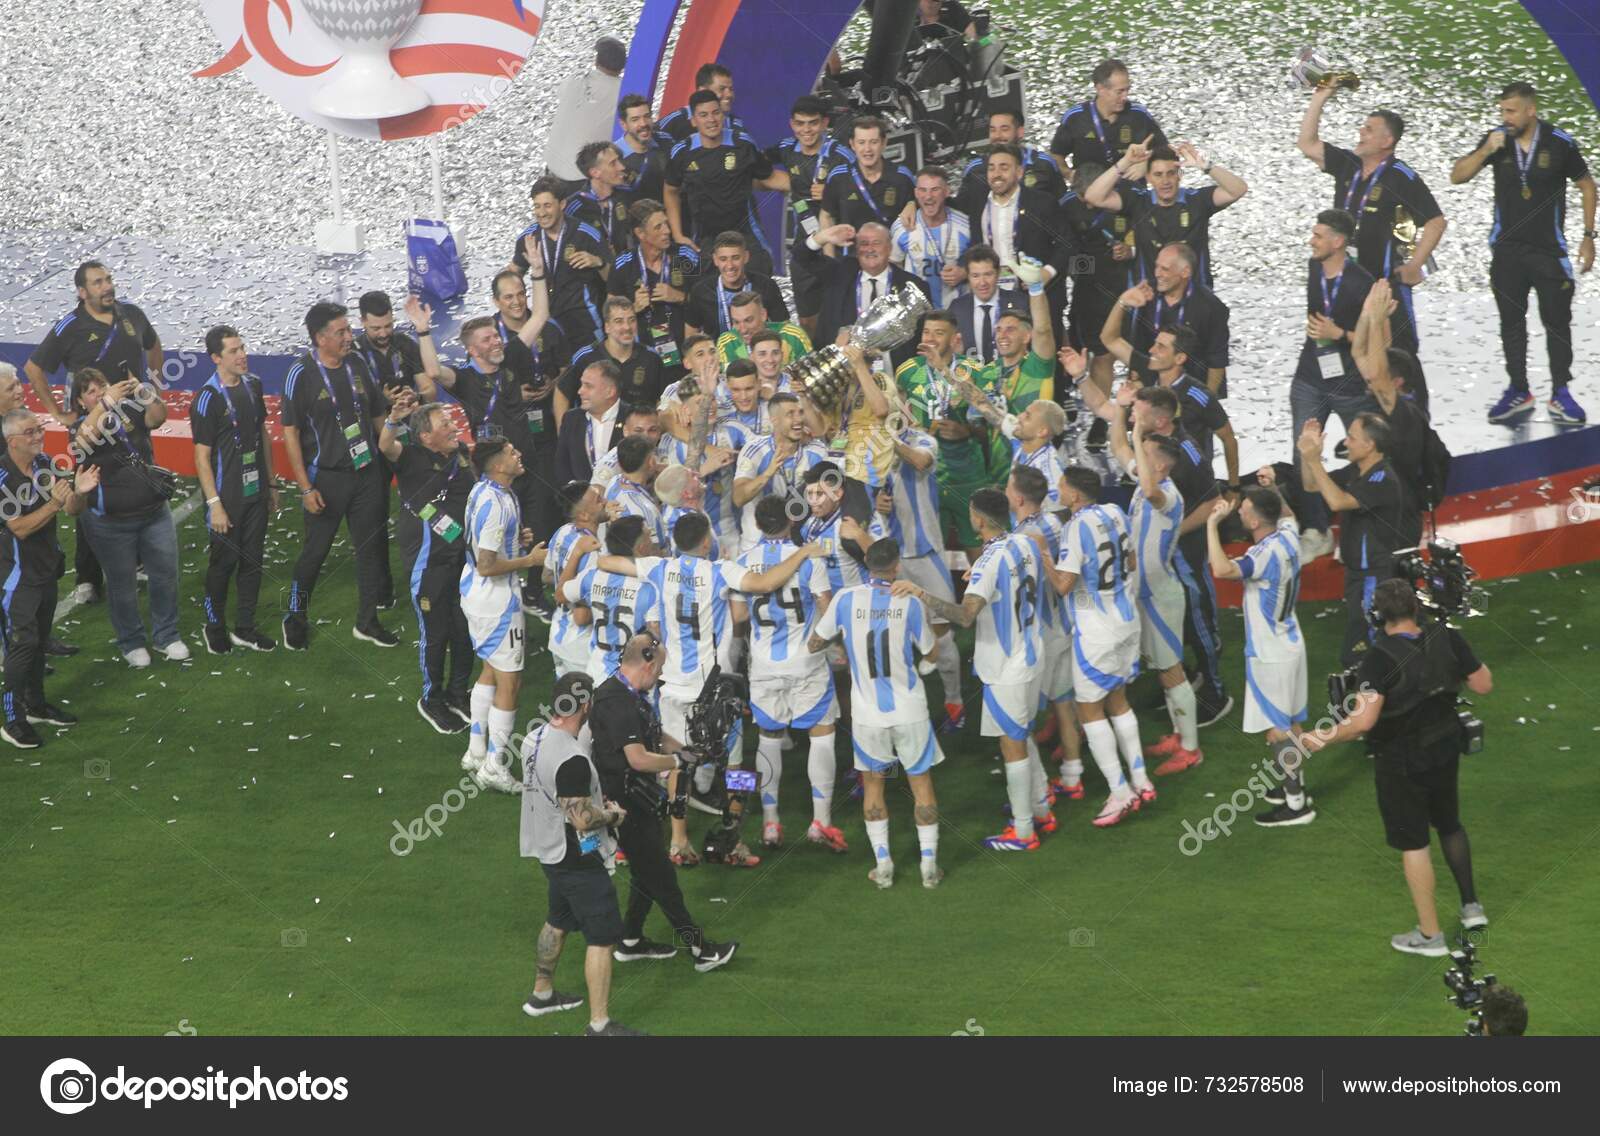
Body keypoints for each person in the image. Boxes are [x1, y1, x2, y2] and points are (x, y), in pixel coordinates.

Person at [1300, 579, 1493, 955]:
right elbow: (1483, 684)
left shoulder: (1378, 659)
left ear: (1377, 616)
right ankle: (1472, 907)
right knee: (1450, 824)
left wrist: (1318, 738)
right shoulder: (1447, 637)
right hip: (1445, 748)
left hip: (1401, 761)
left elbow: (1363, 722)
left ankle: (1430, 936)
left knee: (1414, 843)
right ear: (1415, 608)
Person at [1072, 362, 1231, 726]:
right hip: (1159, 555)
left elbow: (1212, 502)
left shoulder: (1186, 456)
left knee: (1199, 621)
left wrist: (1172, 533)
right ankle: (1181, 678)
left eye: (1138, 415)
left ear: (1159, 421)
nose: (1133, 419)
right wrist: (1120, 407)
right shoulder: (1152, 450)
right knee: (1177, 627)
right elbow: (1118, 447)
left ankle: (1215, 691)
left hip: (1185, 551)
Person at [898, 488, 1051, 851]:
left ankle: (1024, 831)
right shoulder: (1026, 543)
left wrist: (921, 594)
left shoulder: (988, 562)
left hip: (1006, 666)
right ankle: (1041, 808)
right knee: (1022, 733)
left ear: (978, 520)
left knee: (1012, 744)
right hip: (1032, 653)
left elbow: (965, 616)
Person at [587, 632, 739, 970]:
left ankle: (630, 940)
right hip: (625, 806)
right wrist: (677, 761)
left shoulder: (629, 694)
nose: (659, 675)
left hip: (638, 799)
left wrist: (686, 751)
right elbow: (638, 758)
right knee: (663, 879)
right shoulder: (617, 703)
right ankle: (701, 950)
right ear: (646, 664)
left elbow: (653, 735)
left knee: (646, 873)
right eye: (658, 669)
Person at [1451, 81, 1594, 425]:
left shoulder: (1559, 142)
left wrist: (1589, 237)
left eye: (1511, 111)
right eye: (1502, 111)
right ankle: (1519, 389)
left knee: (1557, 324)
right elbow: (1457, 176)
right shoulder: (1496, 140)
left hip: (1549, 252)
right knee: (1511, 323)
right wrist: (1485, 151)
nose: (1506, 117)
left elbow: (1587, 186)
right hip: (1507, 251)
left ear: (1531, 110)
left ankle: (1561, 392)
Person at [1298, 85, 1445, 411]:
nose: (1360, 133)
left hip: (1384, 285)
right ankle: (1366, 416)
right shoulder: (1349, 164)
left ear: (1386, 141)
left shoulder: (1401, 176)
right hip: (1349, 281)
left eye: (1368, 129)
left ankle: (1415, 417)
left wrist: (1415, 265)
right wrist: (1320, 97)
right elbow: (1307, 144)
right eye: (1362, 127)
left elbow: (1436, 221)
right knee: (1352, 343)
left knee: (1399, 354)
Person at [25, 260, 162, 607]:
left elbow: (153, 344)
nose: (107, 287)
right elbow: (34, 368)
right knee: (89, 490)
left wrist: (154, 385)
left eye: (108, 279)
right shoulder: (70, 326)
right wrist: (57, 412)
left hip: (133, 422)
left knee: (139, 479)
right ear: (82, 292)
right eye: (98, 282)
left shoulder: (132, 314)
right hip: (93, 427)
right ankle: (88, 577)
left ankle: (139, 560)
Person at [816, 539, 946, 889]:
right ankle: (929, 865)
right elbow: (932, 653)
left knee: (874, 784)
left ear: (866, 563)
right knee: (921, 782)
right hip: (910, 710)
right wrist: (923, 662)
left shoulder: (845, 599)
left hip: (868, 714)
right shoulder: (910, 602)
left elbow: (818, 640)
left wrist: (843, 644)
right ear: (896, 566)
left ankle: (883, 865)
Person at [520, 671, 642, 1035]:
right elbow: (581, 819)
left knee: (557, 918)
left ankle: (542, 995)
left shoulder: (533, 737)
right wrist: (613, 815)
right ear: (585, 705)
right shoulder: (570, 757)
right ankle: (600, 1024)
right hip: (576, 857)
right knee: (602, 937)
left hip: (548, 849)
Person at [1035, 468, 1154, 830]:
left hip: (1096, 630)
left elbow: (1064, 585)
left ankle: (1120, 792)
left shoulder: (1074, 528)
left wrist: (1045, 558)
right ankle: (1141, 780)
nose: (1057, 490)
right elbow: (1131, 562)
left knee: (1089, 711)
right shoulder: (1116, 512)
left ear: (1074, 495)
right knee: (1118, 700)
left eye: (1061, 486)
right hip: (1126, 619)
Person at [280, 301, 395, 651]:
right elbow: (290, 434)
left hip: (366, 473)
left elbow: (377, 416)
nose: (349, 336)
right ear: (320, 338)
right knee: (315, 553)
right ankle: (295, 616)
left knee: (370, 549)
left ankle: (367, 621)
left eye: (348, 329)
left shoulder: (357, 363)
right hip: (326, 479)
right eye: (341, 331)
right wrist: (305, 487)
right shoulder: (300, 373)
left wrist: (395, 454)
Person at [1101, 398, 1203, 777]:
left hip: (1161, 597)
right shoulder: (1150, 481)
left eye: (1144, 454)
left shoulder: (1167, 495)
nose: (1137, 458)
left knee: (1172, 671)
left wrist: (1139, 433)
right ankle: (1179, 735)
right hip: (1144, 593)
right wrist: (1121, 412)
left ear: (1160, 465)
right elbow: (1118, 448)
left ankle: (1191, 749)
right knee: (1163, 670)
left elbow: (1146, 483)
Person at [736, 496, 845, 850]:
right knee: (822, 734)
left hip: (764, 665)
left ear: (757, 524)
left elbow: (739, 617)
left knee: (768, 738)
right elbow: (827, 608)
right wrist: (829, 644)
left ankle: (770, 823)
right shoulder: (809, 558)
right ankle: (821, 822)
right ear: (790, 520)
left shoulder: (743, 561)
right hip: (806, 662)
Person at [1205, 487, 1313, 829]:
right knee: (1290, 723)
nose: (1240, 511)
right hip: (1291, 641)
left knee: (1279, 732)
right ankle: (1293, 786)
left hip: (1270, 654)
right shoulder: (1289, 536)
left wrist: (1211, 525)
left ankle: (1296, 804)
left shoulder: (1263, 554)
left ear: (1254, 521)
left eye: (1245, 509)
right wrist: (1276, 489)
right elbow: (1289, 515)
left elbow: (1221, 569)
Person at [72, 366, 188, 667]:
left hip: (154, 512)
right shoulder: (81, 426)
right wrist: (105, 404)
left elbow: (158, 417)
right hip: (110, 522)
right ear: (81, 402)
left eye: (102, 386)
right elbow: (83, 442)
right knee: (122, 585)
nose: (99, 392)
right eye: (91, 392)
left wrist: (145, 393)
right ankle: (131, 641)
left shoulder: (130, 413)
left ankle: (166, 635)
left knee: (165, 575)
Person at [379, 399, 478, 735]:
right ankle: (431, 699)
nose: (453, 427)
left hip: (461, 556)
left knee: (463, 626)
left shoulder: (461, 454)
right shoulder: (410, 457)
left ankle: (457, 693)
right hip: (428, 562)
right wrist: (393, 419)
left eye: (451, 421)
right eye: (444, 424)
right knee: (436, 632)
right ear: (424, 436)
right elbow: (385, 446)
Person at [0, 408, 96, 749]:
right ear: (12, 441)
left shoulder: (45, 464)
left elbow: (72, 509)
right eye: (30, 432)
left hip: (45, 569)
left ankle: (36, 704)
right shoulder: (3, 478)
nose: (39, 435)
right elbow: (20, 528)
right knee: (23, 645)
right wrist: (55, 503)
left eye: (39, 428)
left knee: (39, 641)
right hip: (16, 578)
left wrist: (79, 492)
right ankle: (12, 719)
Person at [863, 413, 966, 730]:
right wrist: (875, 502)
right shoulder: (867, 449)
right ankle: (897, 707)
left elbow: (920, 462)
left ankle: (955, 704)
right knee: (891, 634)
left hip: (926, 553)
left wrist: (886, 437)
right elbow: (863, 494)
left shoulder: (922, 440)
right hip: (890, 557)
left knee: (941, 632)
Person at [459, 438, 548, 793]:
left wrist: (515, 540)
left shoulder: (487, 490)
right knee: (510, 682)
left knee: (490, 670)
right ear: (497, 465)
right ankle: (495, 766)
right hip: (496, 602)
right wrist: (529, 560)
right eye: (512, 453)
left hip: (475, 593)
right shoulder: (497, 504)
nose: (518, 454)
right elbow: (486, 564)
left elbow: (484, 544)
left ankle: (476, 751)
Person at [1291, 209, 1377, 560]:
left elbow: (1376, 340)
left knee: (1365, 452)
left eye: (1318, 236)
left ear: (1338, 242)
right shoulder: (1315, 268)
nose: (1311, 241)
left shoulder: (1362, 283)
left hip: (1350, 384)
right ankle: (1316, 529)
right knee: (1303, 450)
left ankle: (1364, 525)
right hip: (1310, 376)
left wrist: (1338, 333)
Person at [192, 326, 278, 656]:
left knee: (252, 560)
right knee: (223, 564)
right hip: (226, 498)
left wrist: (271, 483)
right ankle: (213, 626)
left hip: (256, 491)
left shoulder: (253, 384)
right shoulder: (207, 398)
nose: (242, 355)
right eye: (233, 351)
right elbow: (201, 457)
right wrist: (214, 504)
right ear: (216, 358)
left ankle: (245, 627)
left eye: (242, 347)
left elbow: (261, 434)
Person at [1298, 413, 1407, 670]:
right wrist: (1306, 454)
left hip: (1374, 577)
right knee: (1365, 646)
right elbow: (1311, 485)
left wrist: (1314, 460)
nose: (1345, 442)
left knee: (1366, 651)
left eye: (1351, 437)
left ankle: (1378, 690)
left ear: (1370, 445)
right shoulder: (1357, 471)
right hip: (1357, 575)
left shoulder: (1382, 478)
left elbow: (1338, 502)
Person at [1004, 465, 1085, 798]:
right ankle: (1073, 777)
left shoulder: (1022, 539)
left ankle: (1037, 793)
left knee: (1021, 715)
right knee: (1064, 703)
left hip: (1043, 634)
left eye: (1008, 488)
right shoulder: (1054, 521)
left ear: (1019, 498)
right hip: (1066, 622)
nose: (1005, 492)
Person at [1099, 294, 1238, 483]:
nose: (1151, 350)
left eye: (1161, 347)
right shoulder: (1147, 369)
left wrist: (1234, 487)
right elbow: (1109, 339)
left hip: (1188, 481)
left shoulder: (1198, 396)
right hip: (1148, 473)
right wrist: (1121, 301)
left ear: (1180, 358)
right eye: (1155, 344)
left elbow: (1228, 439)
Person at [1083, 141, 1247, 290]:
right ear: (1148, 177)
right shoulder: (1138, 202)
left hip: (1195, 299)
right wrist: (1125, 162)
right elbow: (1093, 196)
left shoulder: (1197, 200)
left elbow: (1238, 190)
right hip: (1150, 299)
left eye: (1170, 173)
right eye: (1158, 174)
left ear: (1179, 175)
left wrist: (1205, 165)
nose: (1165, 181)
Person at [894, 310, 988, 559]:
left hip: (968, 476)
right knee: (929, 556)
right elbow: (898, 424)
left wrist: (966, 431)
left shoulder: (974, 370)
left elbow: (989, 427)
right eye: (926, 332)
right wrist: (913, 429)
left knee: (980, 553)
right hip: (926, 478)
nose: (930, 338)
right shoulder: (906, 371)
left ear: (954, 338)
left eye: (939, 333)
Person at [664, 90, 789, 276]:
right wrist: (677, 235)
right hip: (704, 236)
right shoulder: (681, 152)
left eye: (716, 113)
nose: (711, 120)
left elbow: (769, 177)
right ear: (693, 121)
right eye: (703, 115)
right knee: (683, 277)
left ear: (723, 115)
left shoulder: (743, 143)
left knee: (762, 271)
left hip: (744, 232)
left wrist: (805, 186)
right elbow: (670, 191)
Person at [768, 94, 853, 335]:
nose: (806, 130)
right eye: (800, 123)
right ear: (791, 124)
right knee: (807, 320)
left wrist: (833, 192)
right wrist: (780, 182)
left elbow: (861, 190)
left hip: (838, 246)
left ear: (825, 123)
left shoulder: (840, 154)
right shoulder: (786, 148)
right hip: (805, 246)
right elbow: (756, 165)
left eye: (813, 123)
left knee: (839, 313)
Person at [798, 222, 932, 368]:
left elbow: (923, 336)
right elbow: (801, 256)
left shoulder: (912, 287)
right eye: (864, 243)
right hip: (844, 373)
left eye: (876, 243)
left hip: (897, 375)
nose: (870, 249)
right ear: (856, 249)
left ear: (889, 248)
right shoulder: (839, 274)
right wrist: (824, 236)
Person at [1103, 243, 1231, 395]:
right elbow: (1117, 340)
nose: (1157, 274)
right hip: (1150, 385)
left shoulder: (1211, 307)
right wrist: (1123, 301)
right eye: (1156, 266)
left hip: (1192, 388)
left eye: (1165, 269)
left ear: (1185, 272)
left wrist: (1208, 401)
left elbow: (1217, 360)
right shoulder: (1146, 294)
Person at [560, 515, 663, 684]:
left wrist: (576, 554)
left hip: (598, 672)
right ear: (642, 547)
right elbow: (656, 631)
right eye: (648, 536)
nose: (652, 541)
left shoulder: (592, 575)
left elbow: (560, 595)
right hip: (638, 675)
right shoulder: (652, 585)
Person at [510, 177, 610, 346]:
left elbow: (613, 279)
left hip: (585, 324)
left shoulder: (586, 234)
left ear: (562, 204)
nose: (541, 213)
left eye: (547, 205)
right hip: (547, 325)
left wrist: (598, 262)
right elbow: (513, 274)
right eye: (537, 206)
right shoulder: (528, 238)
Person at [608, 199, 701, 378]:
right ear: (640, 233)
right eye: (659, 227)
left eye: (666, 223)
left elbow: (707, 302)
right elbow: (609, 314)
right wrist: (633, 308)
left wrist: (680, 296)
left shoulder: (684, 256)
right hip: (641, 358)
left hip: (685, 356)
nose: (667, 231)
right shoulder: (624, 265)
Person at [731, 393, 828, 553]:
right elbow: (738, 498)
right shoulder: (755, 450)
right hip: (756, 547)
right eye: (790, 414)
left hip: (801, 545)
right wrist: (767, 473)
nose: (798, 419)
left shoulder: (817, 451)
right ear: (774, 420)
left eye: (800, 413)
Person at [970, 144, 1068, 290]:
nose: (996, 174)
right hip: (994, 293)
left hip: (1036, 292)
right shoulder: (977, 204)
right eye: (991, 168)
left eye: (1004, 168)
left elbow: (1067, 243)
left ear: (1019, 172)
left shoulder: (1042, 202)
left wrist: (1047, 273)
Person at [1050, 59, 1167, 179]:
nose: (1125, 97)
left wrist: (1147, 163)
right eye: (1119, 92)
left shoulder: (1139, 114)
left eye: (1127, 90)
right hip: (1090, 188)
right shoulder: (1076, 117)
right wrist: (1070, 174)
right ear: (1100, 89)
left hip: (1131, 187)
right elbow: (1056, 155)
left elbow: (1165, 149)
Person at [557, 297, 665, 423]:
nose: (627, 327)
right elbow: (561, 393)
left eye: (632, 320)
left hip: (638, 433)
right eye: (619, 321)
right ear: (607, 327)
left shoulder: (652, 358)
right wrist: (564, 431)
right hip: (595, 432)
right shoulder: (585, 358)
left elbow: (662, 401)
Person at [544, 480, 605, 680]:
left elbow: (546, 575)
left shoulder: (562, 532)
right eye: (598, 500)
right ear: (584, 515)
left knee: (563, 698)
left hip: (558, 634)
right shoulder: (592, 555)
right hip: (580, 647)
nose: (605, 502)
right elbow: (582, 617)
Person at [543, 36, 627, 183]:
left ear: (596, 60)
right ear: (623, 65)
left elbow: (562, 94)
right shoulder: (623, 92)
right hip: (581, 176)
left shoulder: (574, 80)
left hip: (551, 167)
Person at [818, 116, 916, 238]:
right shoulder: (838, 177)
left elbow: (922, 203)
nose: (867, 149)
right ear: (852, 144)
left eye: (874, 142)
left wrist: (913, 204)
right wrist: (829, 250)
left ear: (884, 143)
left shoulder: (902, 176)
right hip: (850, 250)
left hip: (891, 249)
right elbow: (826, 216)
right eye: (861, 142)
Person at [890, 166, 972, 308]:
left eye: (935, 189)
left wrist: (965, 273)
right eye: (923, 190)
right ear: (916, 193)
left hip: (956, 312)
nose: (928, 196)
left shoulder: (965, 226)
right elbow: (893, 264)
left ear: (947, 191)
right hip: (917, 312)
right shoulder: (902, 226)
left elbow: (982, 264)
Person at [682, 231, 790, 339]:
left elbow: (785, 329)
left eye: (735, 258)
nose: (730, 265)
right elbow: (690, 337)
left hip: (758, 349)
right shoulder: (701, 291)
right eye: (723, 259)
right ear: (715, 260)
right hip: (716, 350)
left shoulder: (766, 286)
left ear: (746, 257)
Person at [955, 109, 1064, 214]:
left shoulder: (1043, 164)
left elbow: (1061, 205)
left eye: (1004, 129)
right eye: (993, 130)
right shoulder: (975, 169)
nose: (997, 136)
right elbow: (962, 212)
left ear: (1020, 132)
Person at [947, 245, 1025, 366]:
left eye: (988, 274)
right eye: (975, 276)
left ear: (998, 274)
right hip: (971, 376)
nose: (982, 283)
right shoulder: (957, 308)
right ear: (968, 277)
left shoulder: (1020, 303)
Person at [555, 357, 625, 486]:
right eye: (581, 384)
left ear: (610, 392)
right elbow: (562, 466)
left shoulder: (631, 417)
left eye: (588, 386)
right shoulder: (571, 419)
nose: (580, 391)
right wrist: (578, 494)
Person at [655, 62, 748, 146]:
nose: (729, 95)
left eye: (731, 89)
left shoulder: (735, 125)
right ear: (702, 91)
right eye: (722, 89)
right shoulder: (676, 120)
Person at [567, 141, 634, 255]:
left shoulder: (627, 194)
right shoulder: (574, 207)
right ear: (595, 173)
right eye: (613, 163)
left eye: (619, 161)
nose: (622, 167)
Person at [715, 292, 812, 368]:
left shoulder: (793, 336)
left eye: (748, 320)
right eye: (736, 322)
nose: (743, 330)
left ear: (763, 315)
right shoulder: (728, 343)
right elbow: (730, 383)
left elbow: (811, 374)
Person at [617, 93, 667, 206]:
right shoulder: (615, 157)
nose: (643, 123)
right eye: (635, 119)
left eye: (647, 116)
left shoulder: (665, 141)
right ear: (623, 124)